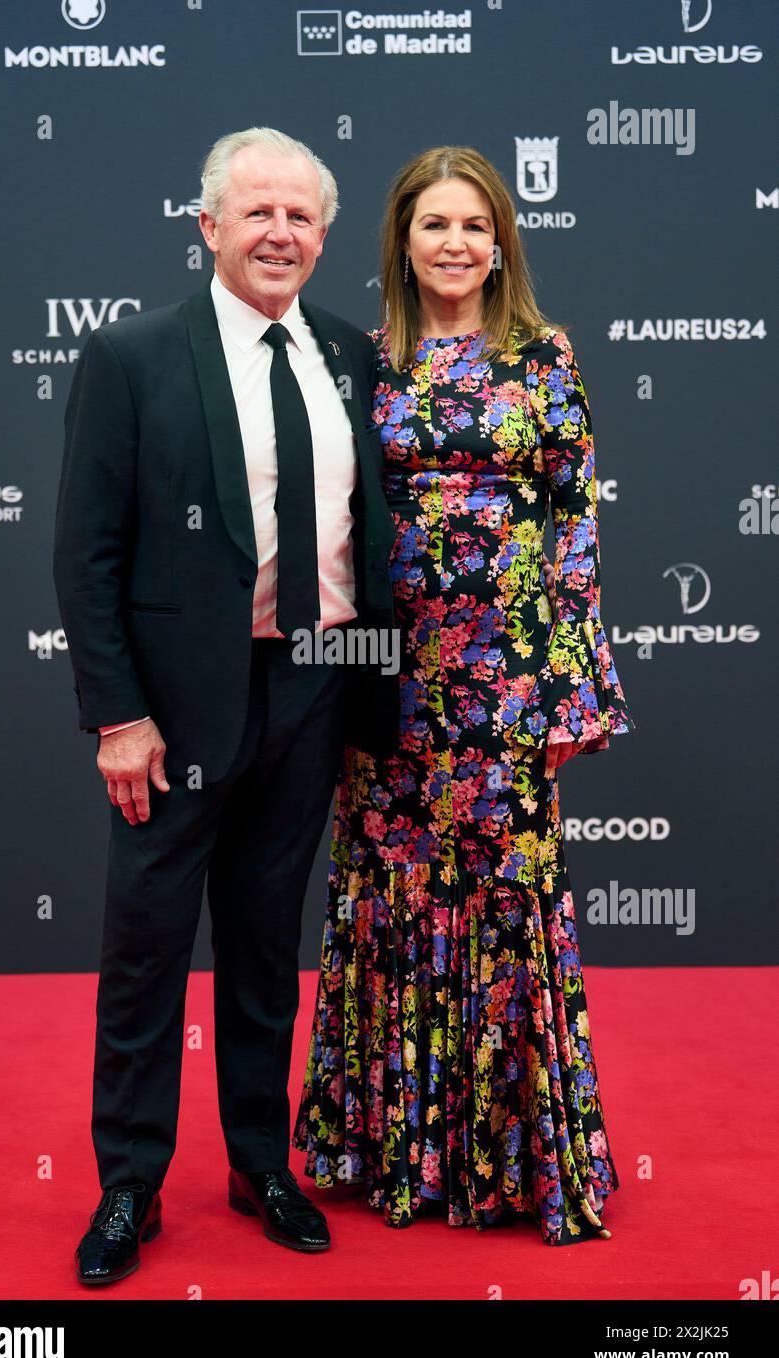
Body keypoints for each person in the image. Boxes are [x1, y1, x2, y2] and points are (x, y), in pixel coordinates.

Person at [53, 126, 404, 1281]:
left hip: (308, 694)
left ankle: (261, 1159)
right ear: (205, 227)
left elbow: (372, 541)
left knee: (264, 950)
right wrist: (118, 715)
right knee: (147, 955)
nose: (279, 233)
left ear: (323, 235)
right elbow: (86, 555)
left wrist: (366, 696)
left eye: (300, 217)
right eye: (255, 213)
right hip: (170, 714)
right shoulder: (133, 357)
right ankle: (126, 1186)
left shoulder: (352, 357)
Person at [293, 145, 634, 1245]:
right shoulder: (360, 362)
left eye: (473, 227)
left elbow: (573, 523)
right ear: (400, 240)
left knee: (504, 892)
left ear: (499, 246)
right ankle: (396, 1148)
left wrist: (575, 684)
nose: (453, 243)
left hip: (510, 675)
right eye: (433, 224)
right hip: (391, 674)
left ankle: (512, 1160)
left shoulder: (543, 356)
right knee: (390, 891)